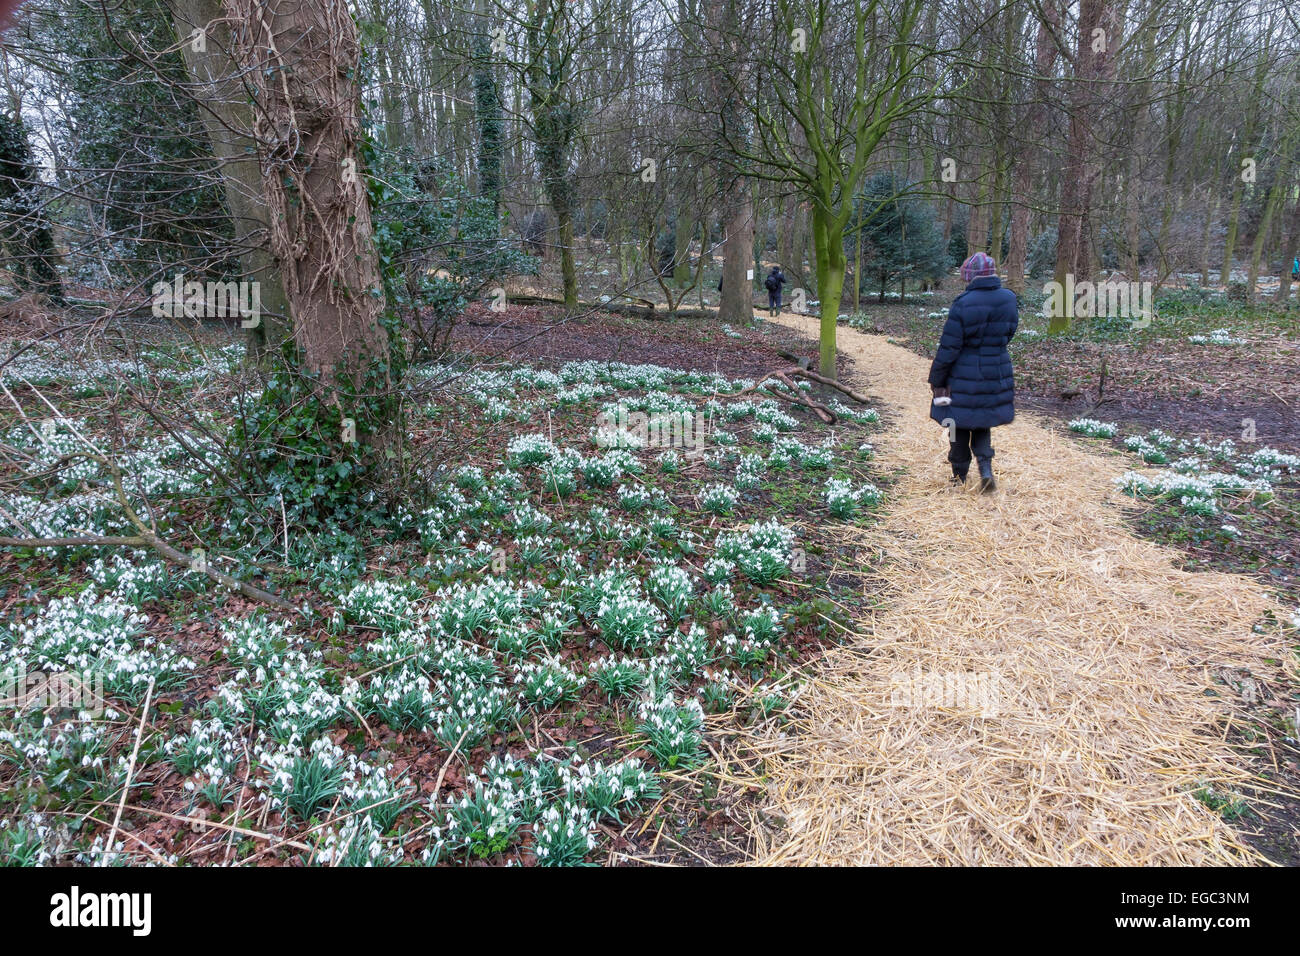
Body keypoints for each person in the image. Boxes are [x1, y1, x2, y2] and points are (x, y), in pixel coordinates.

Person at [927, 252, 1017, 493]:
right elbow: (1009, 333)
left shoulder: (963, 303)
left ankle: (959, 476)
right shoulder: (1008, 299)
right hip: (996, 370)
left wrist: (936, 378)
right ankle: (986, 470)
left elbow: (949, 347)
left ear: (971, 277)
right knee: (981, 421)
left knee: (957, 424)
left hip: (963, 373)